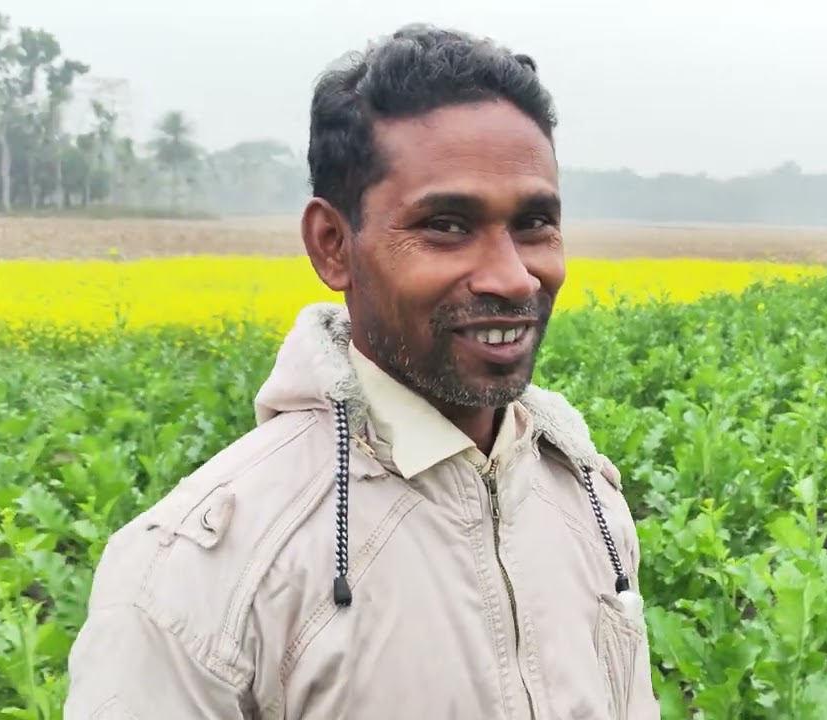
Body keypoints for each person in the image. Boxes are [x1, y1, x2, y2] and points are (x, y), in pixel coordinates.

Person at [63, 24, 660, 720]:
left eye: (534, 224)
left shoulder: (588, 499)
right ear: (333, 245)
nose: (513, 275)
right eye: (446, 225)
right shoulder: (195, 573)